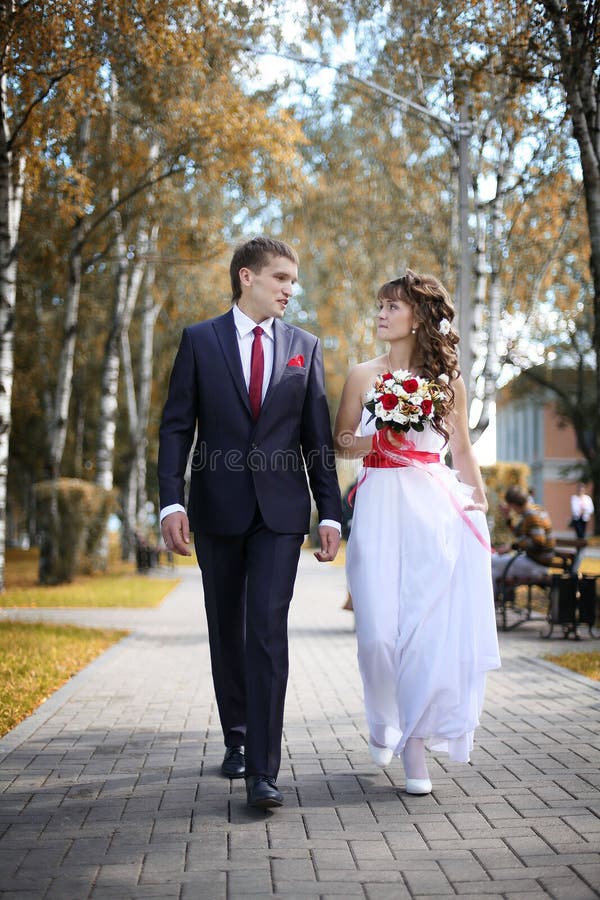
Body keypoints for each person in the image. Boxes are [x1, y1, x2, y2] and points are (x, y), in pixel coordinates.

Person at [158, 236, 342, 809]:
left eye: (293, 280)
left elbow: (316, 439)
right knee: (227, 630)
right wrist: (172, 502)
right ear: (247, 277)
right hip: (217, 509)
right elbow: (175, 428)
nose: (292, 289)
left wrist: (330, 511)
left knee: (266, 631)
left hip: (281, 516)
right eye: (282, 278)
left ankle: (264, 770)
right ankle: (236, 737)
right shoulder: (198, 341)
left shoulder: (304, 347)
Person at [334, 269, 500, 795]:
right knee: (377, 635)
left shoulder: (449, 382)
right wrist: (377, 434)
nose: (381, 315)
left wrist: (479, 504)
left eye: (392, 307)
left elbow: (463, 454)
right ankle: (384, 722)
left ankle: (414, 747)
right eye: (379, 306)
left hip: (433, 509)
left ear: (418, 316)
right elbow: (339, 442)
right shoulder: (363, 375)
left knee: (423, 632)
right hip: (379, 505)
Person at [491, 485, 555, 596]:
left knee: (492, 562)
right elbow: (518, 533)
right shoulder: (533, 510)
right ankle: (493, 605)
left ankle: (490, 608)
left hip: (538, 565)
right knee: (494, 572)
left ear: (513, 504)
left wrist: (511, 547)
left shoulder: (532, 516)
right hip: (533, 561)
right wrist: (507, 517)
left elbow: (538, 542)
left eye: (510, 507)